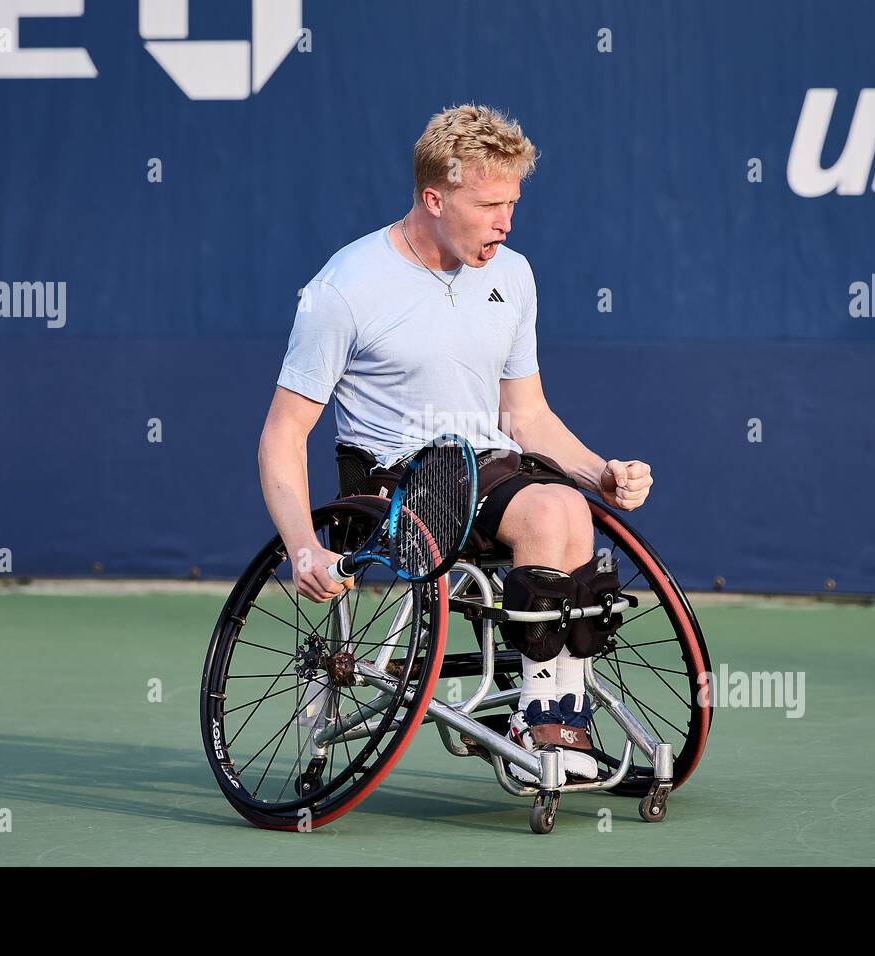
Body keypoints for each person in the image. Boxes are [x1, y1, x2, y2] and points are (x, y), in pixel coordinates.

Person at [258, 103, 652, 782]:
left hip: (489, 471)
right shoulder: (344, 288)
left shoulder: (513, 274)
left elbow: (525, 415)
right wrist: (301, 544)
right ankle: (546, 723)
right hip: (394, 483)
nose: (507, 221)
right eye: (491, 204)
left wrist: (598, 472)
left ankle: (556, 716)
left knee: (568, 505)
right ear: (435, 198)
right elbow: (282, 434)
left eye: (514, 204)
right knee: (551, 507)